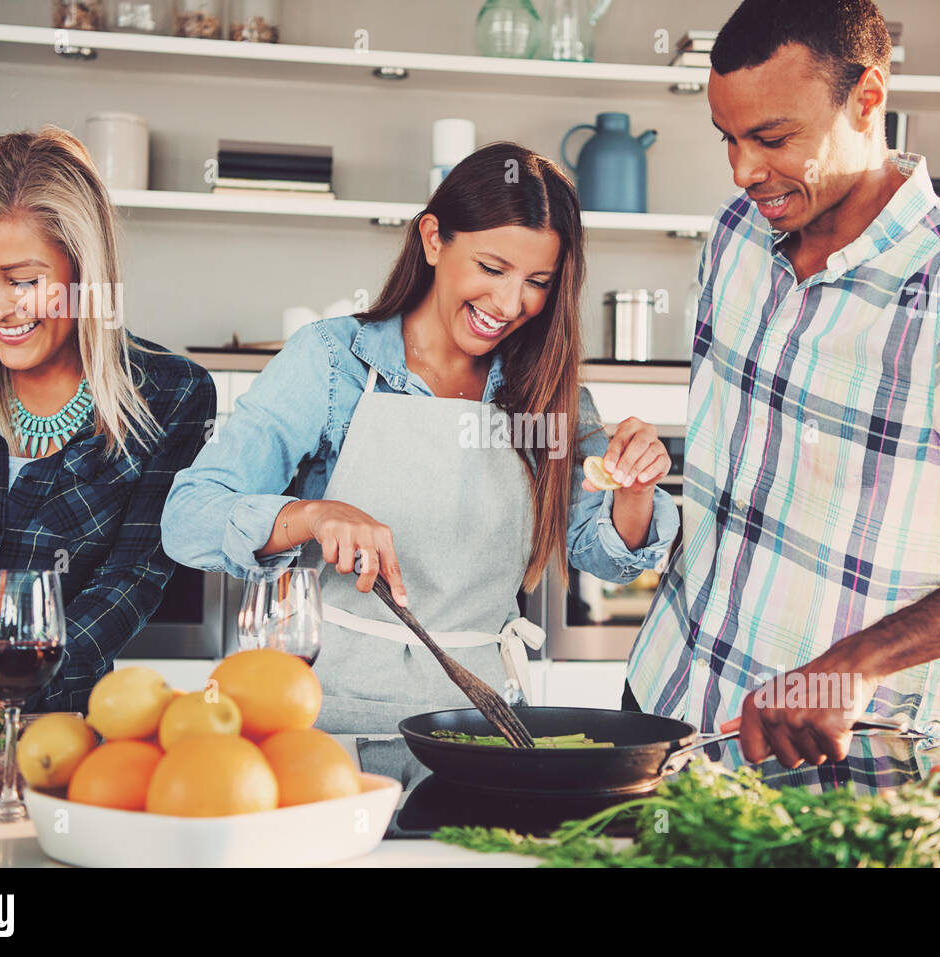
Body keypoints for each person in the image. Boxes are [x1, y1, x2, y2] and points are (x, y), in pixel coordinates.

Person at [625, 0, 940, 769]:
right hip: (661, 716)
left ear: (868, 99)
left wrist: (857, 662)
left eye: (773, 138)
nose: (742, 171)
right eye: (729, 139)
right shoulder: (738, 234)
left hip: (827, 778)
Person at [163, 142, 679, 733]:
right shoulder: (333, 361)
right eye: (491, 268)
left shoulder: (548, 390)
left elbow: (604, 559)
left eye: (537, 281)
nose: (510, 304)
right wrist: (313, 515)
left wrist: (636, 489)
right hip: (322, 712)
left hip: (482, 718)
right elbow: (188, 518)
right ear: (433, 238)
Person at [0, 127, 216, 714]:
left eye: (23, 281)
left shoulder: (171, 395)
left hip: (47, 728)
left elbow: (133, 578)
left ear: (84, 270)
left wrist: (23, 673)